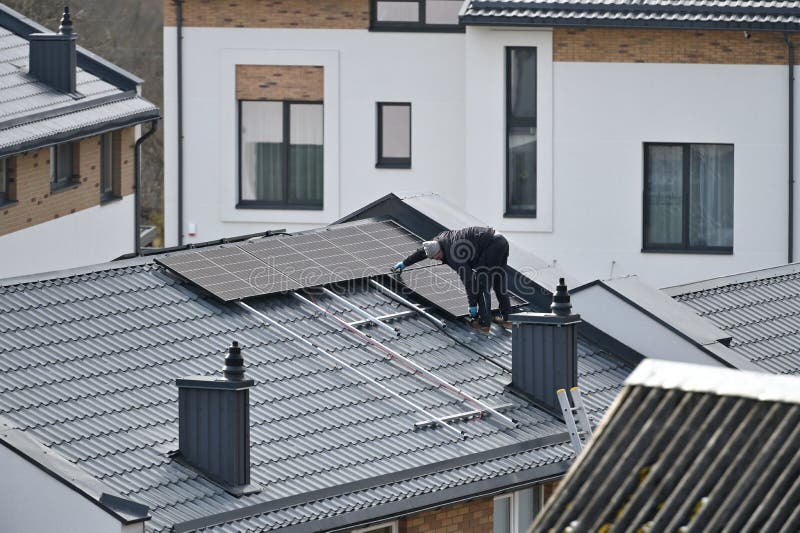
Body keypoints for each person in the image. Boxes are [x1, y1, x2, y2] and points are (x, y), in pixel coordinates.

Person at [392, 226, 512, 334]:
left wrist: (472, 305)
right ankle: (508, 319)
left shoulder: (454, 255)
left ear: (440, 251)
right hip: (500, 240)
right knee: (498, 282)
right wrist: (404, 263)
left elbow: (469, 280)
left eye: (437, 257)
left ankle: (484, 324)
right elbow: (423, 252)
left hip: (492, 246)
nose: (437, 259)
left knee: (482, 284)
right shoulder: (437, 242)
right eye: (433, 258)